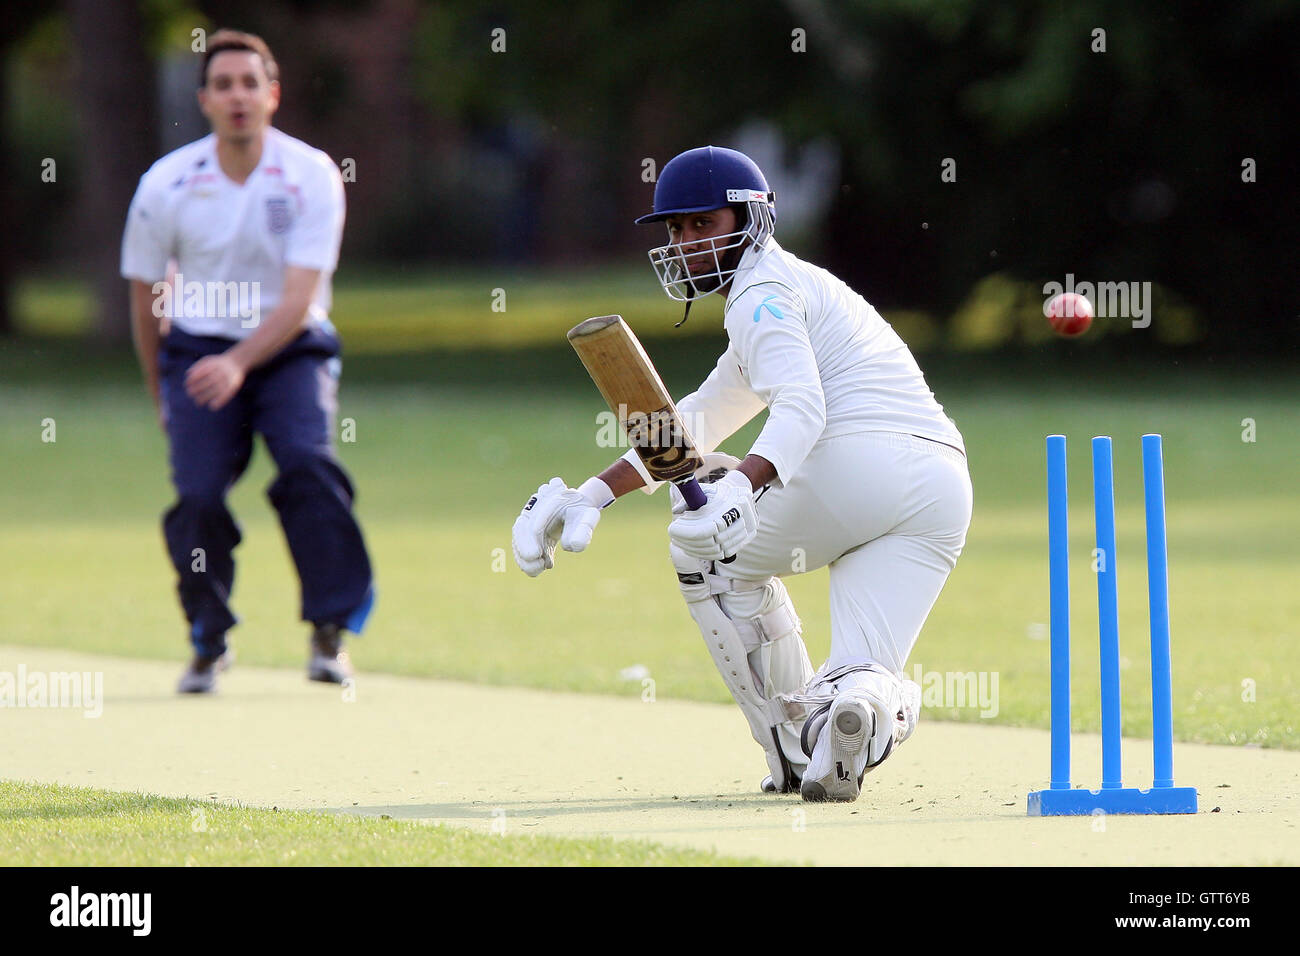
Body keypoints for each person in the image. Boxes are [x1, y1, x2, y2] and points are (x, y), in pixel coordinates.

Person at [512, 146, 971, 802]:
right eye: (676, 229)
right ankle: (855, 717)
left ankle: (790, 745)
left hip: (859, 467)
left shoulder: (761, 295)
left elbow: (803, 406)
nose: (686, 242)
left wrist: (740, 484)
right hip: (939, 487)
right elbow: (700, 418)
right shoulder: (784, 290)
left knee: (703, 545)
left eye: (703, 224)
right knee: (865, 667)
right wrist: (595, 492)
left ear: (751, 219)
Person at [121, 30, 374, 694]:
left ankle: (329, 631)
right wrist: (161, 395)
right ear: (204, 100)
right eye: (223, 85)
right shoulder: (166, 183)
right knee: (199, 495)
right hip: (196, 352)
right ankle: (209, 635)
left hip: (290, 349)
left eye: (250, 84)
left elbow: (299, 298)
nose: (238, 97)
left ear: (273, 95)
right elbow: (147, 301)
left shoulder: (311, 174)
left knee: (309, 465)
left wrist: (240, 362)